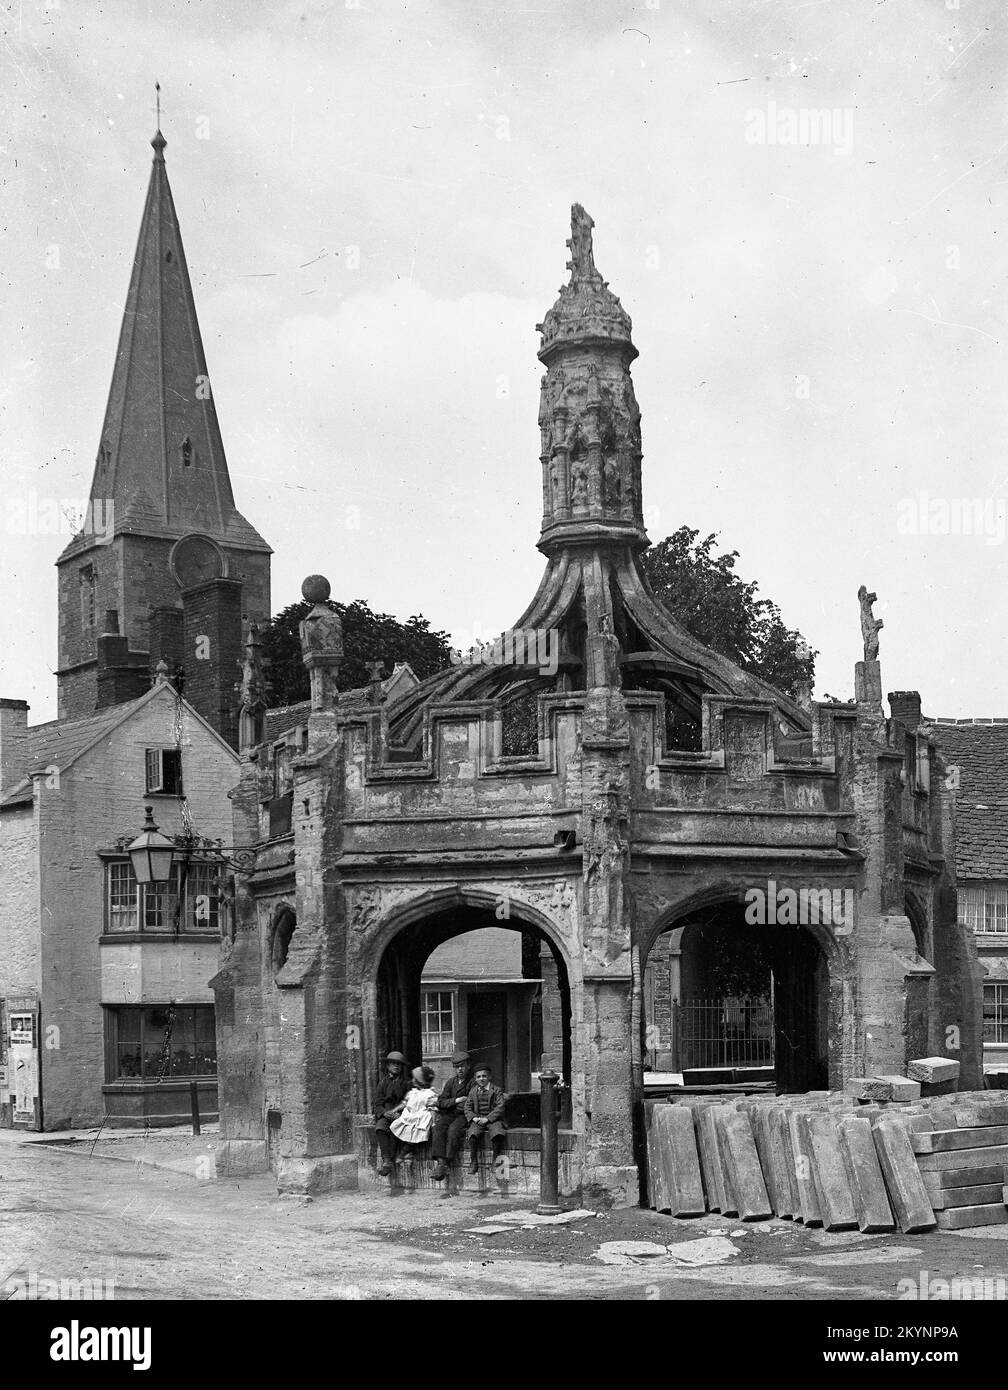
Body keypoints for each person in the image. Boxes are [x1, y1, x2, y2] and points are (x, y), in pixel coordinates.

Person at [431, 1051, 473, 1181]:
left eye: (462, 1066)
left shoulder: (472, 1082)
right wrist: (456, 1100)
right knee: (438, 1127)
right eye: (457, 1067)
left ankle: (447, 1162)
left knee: (453, 1130)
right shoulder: (451, 1082)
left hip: (464, 1116)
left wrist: (451, 1104)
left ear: (468, 1065)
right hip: (451, 1114)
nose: (460, 1069)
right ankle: (441, 1163)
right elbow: (440, 1102)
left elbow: (469, 1104)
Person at [464, 1065, 508, 1175]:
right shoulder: (473, 1091)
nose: (481, 1079)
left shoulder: (496, 1090)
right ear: (475, 1078)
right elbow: (467, 1107)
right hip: (478, 1119)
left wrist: (488, 1119)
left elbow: (500, 1107)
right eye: (478, 1077)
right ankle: (473, 1161)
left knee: (497, 1133)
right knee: (472, 1134)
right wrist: (474, 1118)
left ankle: (495, 1161)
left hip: (493, 1119)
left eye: (484, 1076)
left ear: (489, 1077)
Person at [390, 1065, 439, 1161]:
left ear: (420, 1082)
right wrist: (394, 1110)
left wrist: (434, 1122)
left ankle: (405, 1152)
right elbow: (404, 1103)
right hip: (410, 1114)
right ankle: (394, 1155)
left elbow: (433, 1109)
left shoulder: (430, 1094)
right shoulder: (412, 1092)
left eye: (415, 1079)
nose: (412, 1081)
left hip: (421, 1116)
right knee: (395, 1126)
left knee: (415, 1131)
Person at [373, 1050, 410, 1176]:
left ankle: (391, 1160)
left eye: (399, 1064)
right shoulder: (382, 1083)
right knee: (380, 1128)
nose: (396, 1066)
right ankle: (386, 1160)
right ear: (388, 1066)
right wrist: (384, 1113)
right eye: (393, 1063)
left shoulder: (406, 1084)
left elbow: (410, 1102)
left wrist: (401, 1114)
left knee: (396, 1128)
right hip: (386, 1114)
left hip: (400, 1115)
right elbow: (377, 1103)